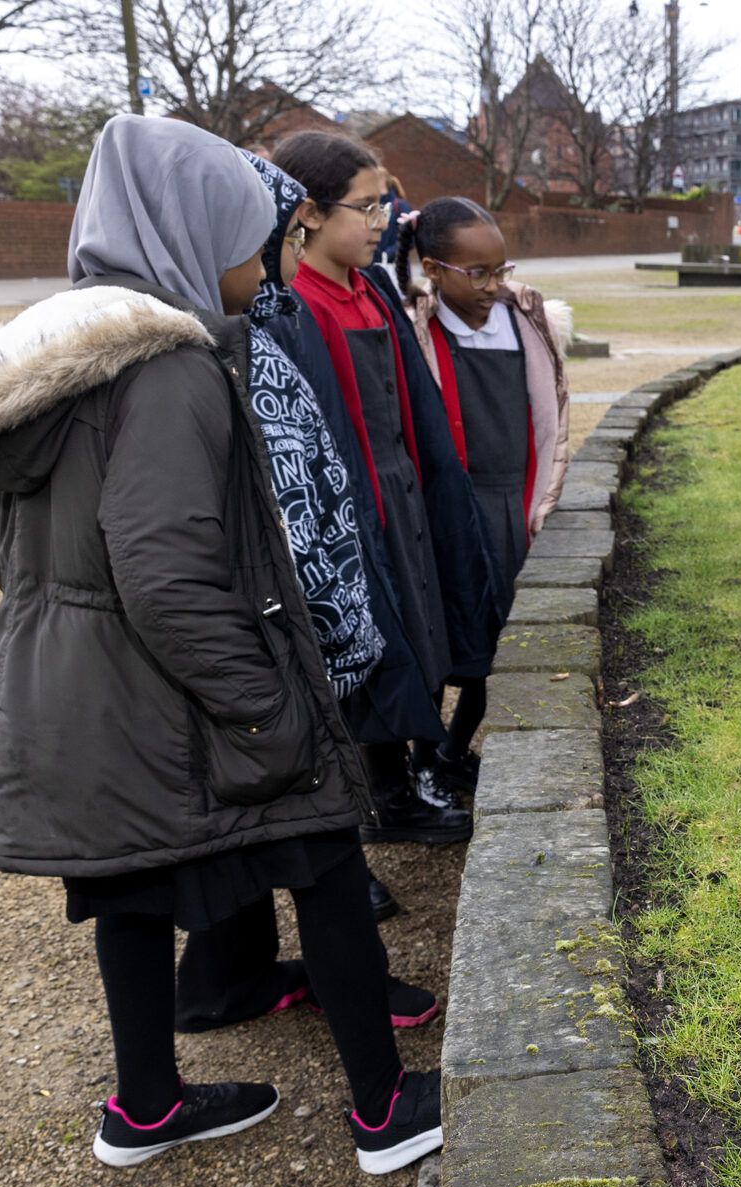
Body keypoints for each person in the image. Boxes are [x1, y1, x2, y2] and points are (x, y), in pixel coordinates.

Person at [0, 114, 442, 1175]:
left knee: (132, 881)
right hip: (192, 680)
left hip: (88, 689)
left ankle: (143, 1105)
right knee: (324, 855)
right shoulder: (174, 368)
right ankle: (383, 1112)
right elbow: (167, 567)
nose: (264, 258)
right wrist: (262, 705)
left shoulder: (46, 350)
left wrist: (80, 628)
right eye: (253, 233)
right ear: (193, 231)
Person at [166, 149, 443, 1037]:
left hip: (262, 614)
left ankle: (227, 974)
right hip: (264, 622)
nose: (275, 265)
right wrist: (326, 624)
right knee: (308, 813)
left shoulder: (232, 322)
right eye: (272, 240)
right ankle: (367, 1067)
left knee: (247, 806)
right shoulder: (203, 346)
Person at [270, 129, 504, 840]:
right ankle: (377, 796)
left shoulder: (370, 287)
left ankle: (406, 781)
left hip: (407, 495)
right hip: (357, 507)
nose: (381, 222)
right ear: (308, 212)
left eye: (383, 206)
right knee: (368, 641)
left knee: (424, 631)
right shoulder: (294, 302)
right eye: (366, 208)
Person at [399, 197, 571, 803]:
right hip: (452, 513)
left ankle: (452, 749)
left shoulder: (525, 321)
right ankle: (423, 764)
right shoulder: (416, 332)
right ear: (433, 269)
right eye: (479, 274)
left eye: (502, 270)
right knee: (448, 642)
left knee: (504, 643)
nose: (494, 286)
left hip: (514, 507)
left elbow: (549, 410)